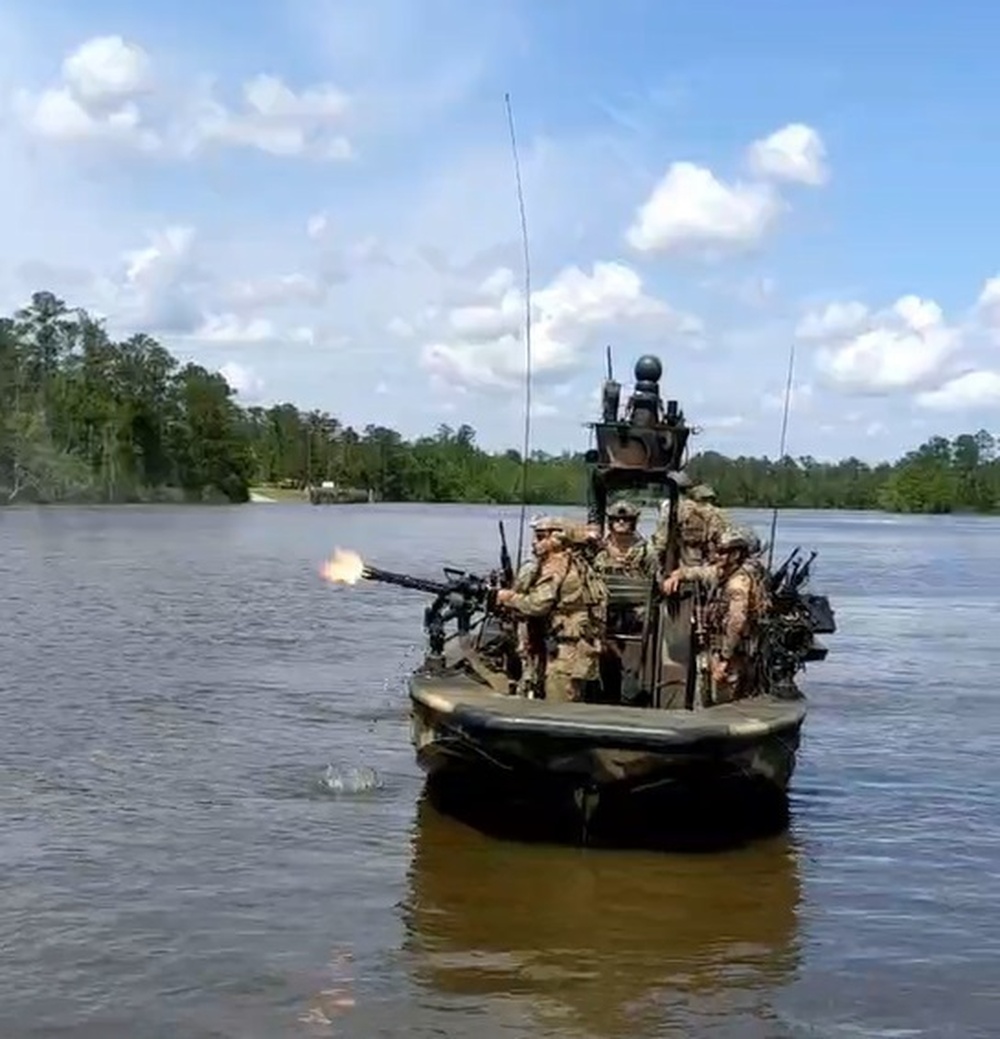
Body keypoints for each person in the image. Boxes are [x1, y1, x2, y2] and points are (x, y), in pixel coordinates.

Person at [496, 515, 607, 703]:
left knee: (558, 705)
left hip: (567, 650)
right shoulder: (577, 562)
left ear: (557, 540)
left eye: (540, 537)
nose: (534, 542)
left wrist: (508, 598)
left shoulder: (556, 566)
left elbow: (537, 604)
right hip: (575, 645)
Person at [661, 527, 769, 703]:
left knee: (724, 699)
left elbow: (737, 622)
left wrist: (724, 660)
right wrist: (677, 575)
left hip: (733, 654)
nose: (717, 555)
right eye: (716, 551)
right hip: (716, 648)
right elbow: (698, 571)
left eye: (723, 552)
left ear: (735, 555)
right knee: (709, 694)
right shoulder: (722, 572)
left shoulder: (738, 584)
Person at [651, 481, 734, 567]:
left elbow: (661, 543)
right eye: (704, 501)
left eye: (709, 501)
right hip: (686, 562)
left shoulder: (717, 517)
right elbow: (662, 542)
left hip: (704, 564)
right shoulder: (680, 512)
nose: (708, 506)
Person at [593, 499, 654, 577]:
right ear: (610, 522)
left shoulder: (645, 551)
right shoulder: (599, 549)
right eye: (616, 519)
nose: (621, 522)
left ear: (633, 522)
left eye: (626, 519)